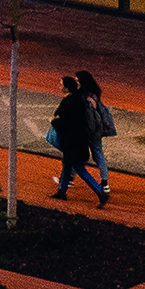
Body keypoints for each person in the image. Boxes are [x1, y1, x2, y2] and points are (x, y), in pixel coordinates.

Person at [49, 74, 105, 205]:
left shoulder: (68, 102)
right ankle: (61, 192)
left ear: (66, 87)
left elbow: (65, 122)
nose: (60, 86)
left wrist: (53, 122)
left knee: (78, 168)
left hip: (71, 141)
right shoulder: (80, 99)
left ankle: (100, 192)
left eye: (61, 84)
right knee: (67, 166)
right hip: (79, 140)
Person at [76, 70, 116, 196]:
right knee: (98, 153)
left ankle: (69, 178)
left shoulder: (83, 96)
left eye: (77, 81)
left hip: (87, 129)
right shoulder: (95, 94)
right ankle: (105, 183)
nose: (75, 82)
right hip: (96, 130)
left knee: (76, 154)